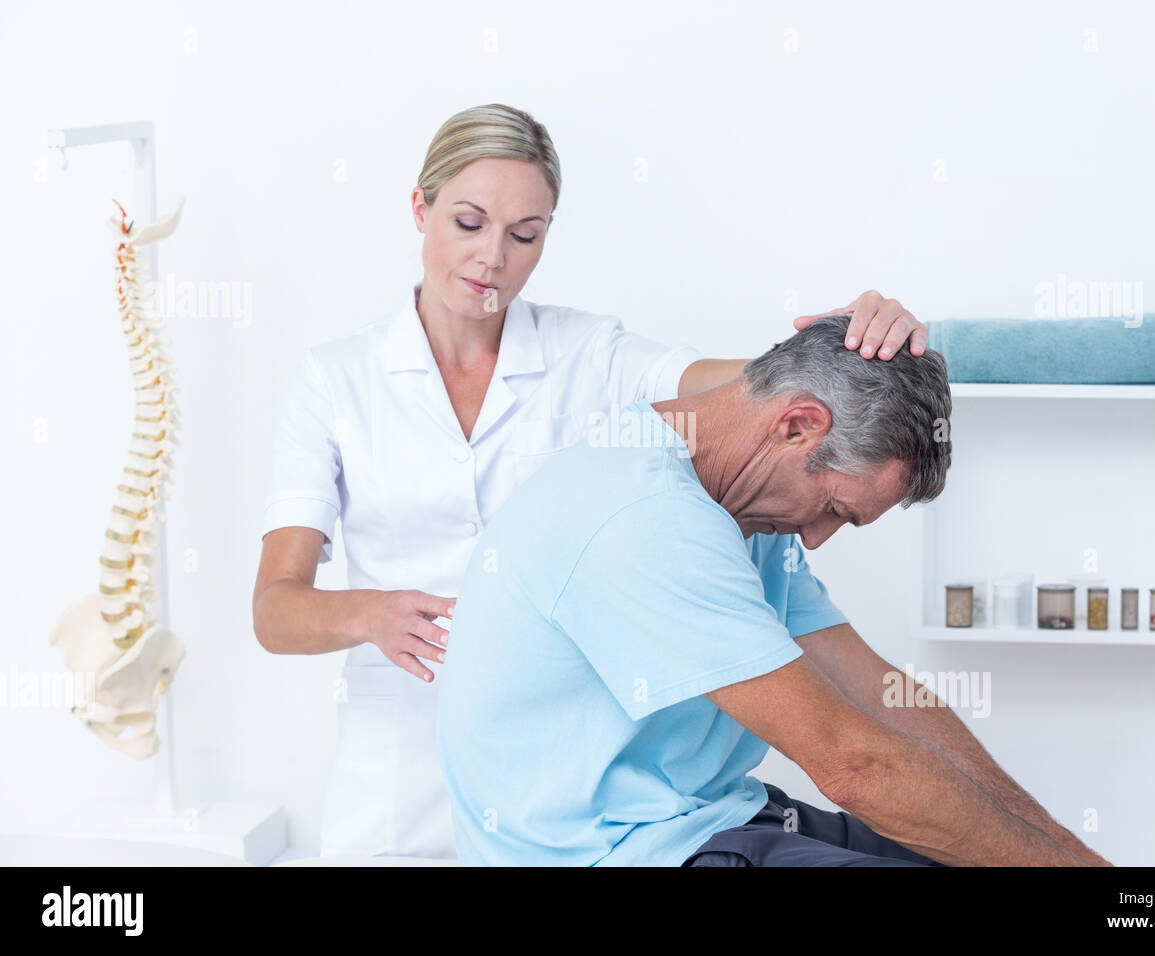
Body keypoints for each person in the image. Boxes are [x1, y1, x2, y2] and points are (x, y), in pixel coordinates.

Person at [251, 103, 932, 859]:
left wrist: (851, 346)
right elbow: (274, 610)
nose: (493, 260)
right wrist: (370, 614)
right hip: (398, 779)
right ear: (421, 208)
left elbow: (753, 391)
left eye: (525, 236)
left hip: (572, 788)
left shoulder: (589, 355)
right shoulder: (335, 379)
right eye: (469, 223)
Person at [437, 316, 1112, 866]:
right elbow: (853, 764)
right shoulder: (644, 516)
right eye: (836, 511)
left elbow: (878, 696)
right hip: (609, 853)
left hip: (712, 818)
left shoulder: (733, 496)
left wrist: (1066, 851)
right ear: (797, 426)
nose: (815, 540)